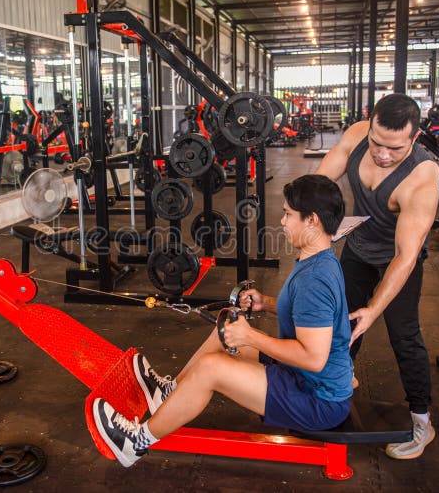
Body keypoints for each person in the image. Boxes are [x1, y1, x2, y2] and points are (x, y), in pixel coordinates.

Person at [92, 175, 353, 467]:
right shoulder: (320, 260)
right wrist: (266, 303)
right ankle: (168, 393)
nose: (282, 222)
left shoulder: (314, 279)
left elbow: (314, 358)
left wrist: (251, 338)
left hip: (317, 400)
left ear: (312, 220)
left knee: (210, 369)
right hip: (305, 379)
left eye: (288, 214)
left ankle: (134, 443)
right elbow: (311, 320)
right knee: (224, 330)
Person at [315, 93, 439, 460]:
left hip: (398, 258)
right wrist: (305, 219)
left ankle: (422, 422)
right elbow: (319, 183)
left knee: (404, 335)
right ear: (369, 127)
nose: (383, 154)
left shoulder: (422, 176)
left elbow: (405, 255)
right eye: (377, 143)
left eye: (395, 148)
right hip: (360, 245)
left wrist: (373, 309)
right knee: (342, 325)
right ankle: (335, 390)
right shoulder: (356, 136)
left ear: (414, 138)